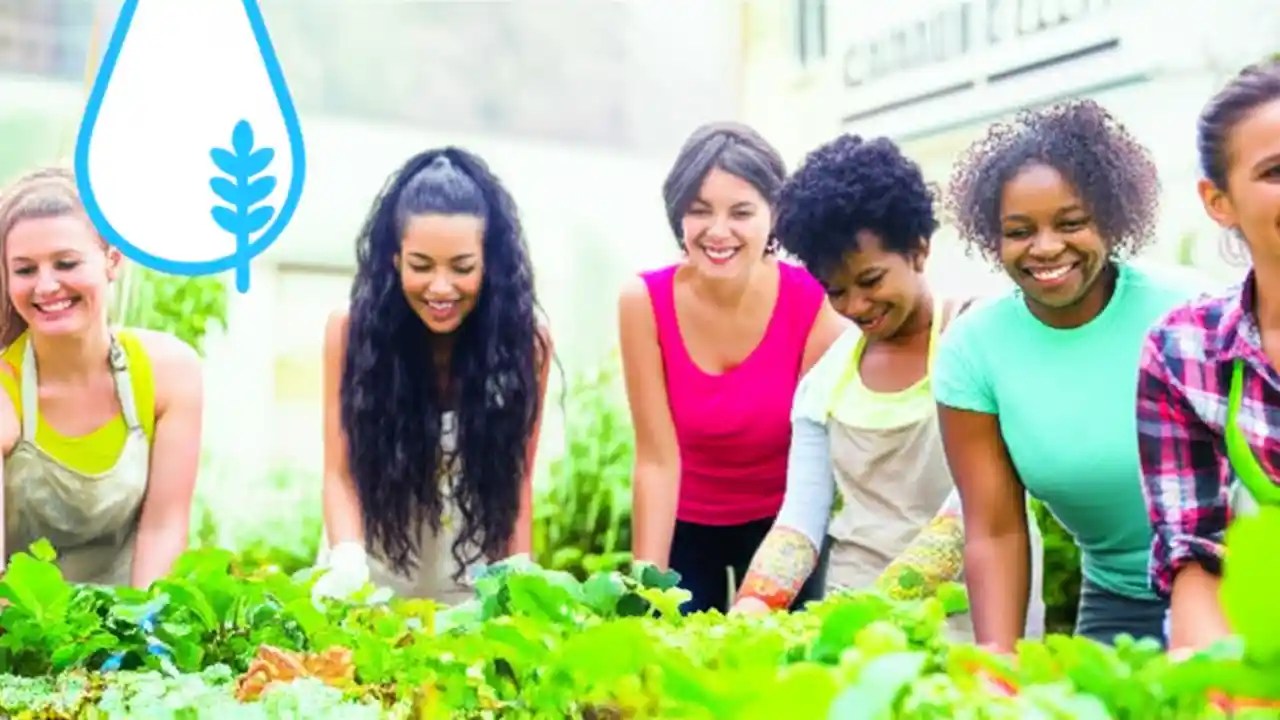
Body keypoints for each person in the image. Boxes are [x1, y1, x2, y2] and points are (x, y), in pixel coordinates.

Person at [726, 134, 1045, 640]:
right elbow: (800, 521)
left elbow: (974, 508)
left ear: (919, 250)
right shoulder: (824, 383)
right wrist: (749, 612)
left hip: (977, 619)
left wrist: (871, 615)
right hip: (856, 623)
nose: (855, 306)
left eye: (871, 280)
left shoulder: (981, 338)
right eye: (836, 291)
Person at [933, 99, 1200, 651]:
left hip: (1241, 587)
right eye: (1019, 231)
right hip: (1117, 598)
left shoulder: (1188, 314)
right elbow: (995, 530)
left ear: (1111, 219)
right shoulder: (974, 349)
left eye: (1071, 223)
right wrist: (996, 671)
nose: (1047, 247)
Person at [619, 121, 846, 614]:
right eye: (699, 212)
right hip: (682, 524)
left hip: (785, 523)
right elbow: (656, 460)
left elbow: (813, 464)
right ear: (678, 215)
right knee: (665, 672)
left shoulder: (816, 300)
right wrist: (647, 599)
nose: (718, 231)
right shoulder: (644, 301)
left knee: (780, 673)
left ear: (774, 215)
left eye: (741, 212)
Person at [312, 148, 553, 605]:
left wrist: (519, 578)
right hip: (369, 573)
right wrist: (346, 565)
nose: (441, 288)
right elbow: (339, 474)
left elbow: (517, 479)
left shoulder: (526, 344)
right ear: (394, 259)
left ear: (489, 263)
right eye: (421, 265)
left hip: (470, 580)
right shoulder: (349, 331)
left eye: (462, 268)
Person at [0, 167, 203, 587]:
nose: (46, 285)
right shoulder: (6, 386)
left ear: (112, 260)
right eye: (24, 270)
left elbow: (163, 529)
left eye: (66, 262)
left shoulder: (169, 373)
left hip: (125, 625)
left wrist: (141, 632)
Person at [1137, 59, 1280, 654]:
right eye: (1276, 171)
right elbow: (1197, 561)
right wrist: (1212, 695)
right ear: (1218, 200)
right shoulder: (1184, 352)